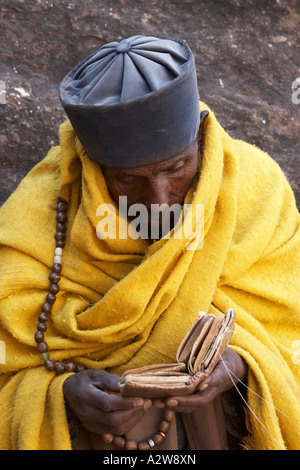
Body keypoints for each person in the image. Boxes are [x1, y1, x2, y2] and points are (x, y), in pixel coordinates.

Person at [0, 34, 299, 451]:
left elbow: (288, 327)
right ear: (92, 168)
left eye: (176, 168)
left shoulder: (257, 191)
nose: (159, 199)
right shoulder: (42, 211)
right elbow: (7, 355)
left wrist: (240, 365)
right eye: (127, 180)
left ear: (201, 135)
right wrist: (63, 394)